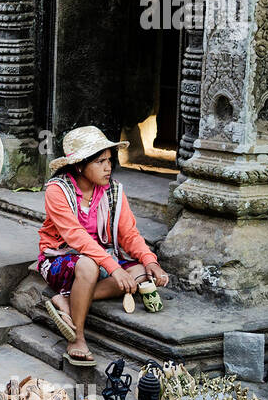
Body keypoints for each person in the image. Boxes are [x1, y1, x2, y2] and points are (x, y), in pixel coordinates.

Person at [37, 126, 170, 363]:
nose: (108, 167)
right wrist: (114, 267)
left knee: (139, 274)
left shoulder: (114, 191)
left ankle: (67, 299)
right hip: (61, 259)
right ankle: (77, 337)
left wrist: (151, 262)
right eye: (100, 161)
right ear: (79, 165)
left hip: (101, 257)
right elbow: (75, 236)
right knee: (88, 265)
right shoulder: (57, 190)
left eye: (109, 160)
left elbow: (128, 234)